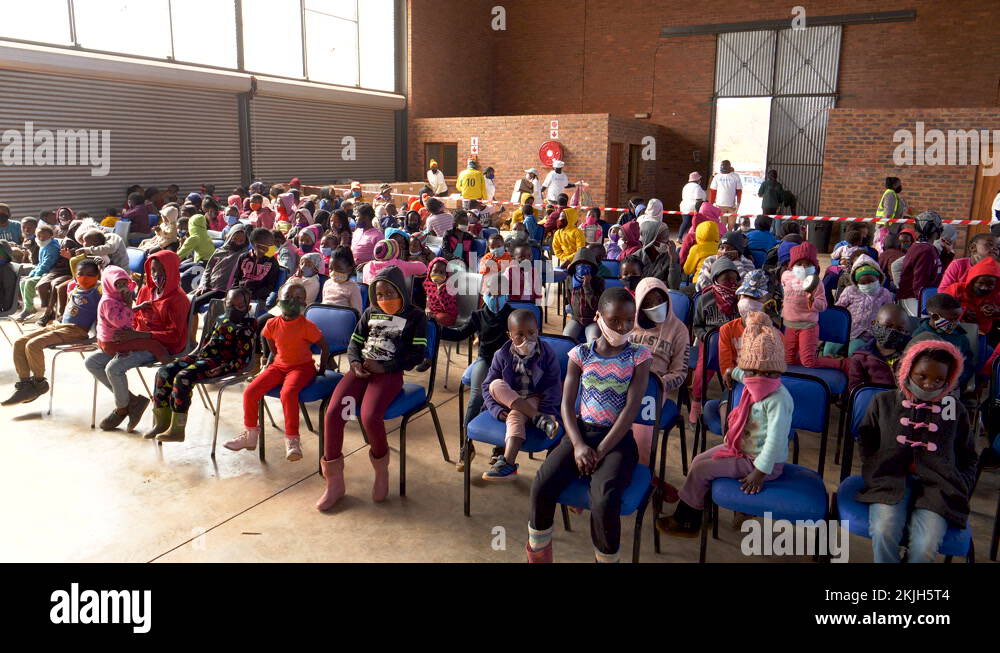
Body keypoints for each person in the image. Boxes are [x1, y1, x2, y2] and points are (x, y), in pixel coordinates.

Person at [526, 287, 652, 563]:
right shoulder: (580, 354)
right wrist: (580, 445)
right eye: (615, 320)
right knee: (542, 484)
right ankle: (539, 554)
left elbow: (631, 409)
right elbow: (567, 406)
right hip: (580, 433)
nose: (623, 327)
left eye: (629, 321)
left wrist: (602, 450)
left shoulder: (639, 356)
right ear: (598, 317)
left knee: (604, 499)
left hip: (617, 440)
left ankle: (606, 559)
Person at [658, 312, 791, 536]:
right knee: (698, 460)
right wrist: (731, 372)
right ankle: (703, 512)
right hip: (741, 449)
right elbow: (744, 373)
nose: (760, 378)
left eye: (769, 373)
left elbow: (775, 442)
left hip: (759, 462)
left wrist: (759, 472)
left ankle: (687, 521)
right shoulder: (750, 376)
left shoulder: (778, 399)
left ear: (779, 371)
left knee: (701, 469)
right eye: (753, 372)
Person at [317, 266, 429, 509]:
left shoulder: (416, 317)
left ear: (402, 290)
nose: (384, 299)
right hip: (361, 371)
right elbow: (354, 344)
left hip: (388, 375)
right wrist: (355, 363)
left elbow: (417, 355)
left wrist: (386, 367)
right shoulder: (369, 312)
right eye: (379, 294)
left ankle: (381, 470)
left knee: (369, 416)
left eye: (390, 293)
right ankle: (334, 483)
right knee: (334, 413)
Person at [855, 339, 977, 563]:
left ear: (949, 379)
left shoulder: (955, 411)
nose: (930, 385)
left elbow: (968, 455)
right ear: (908, 369)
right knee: (884, 531)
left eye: (939, 379)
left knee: (925, 546)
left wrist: (962, 482)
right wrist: (873, 465)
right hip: (889, 479)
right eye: (922, 376)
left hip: (939, 487)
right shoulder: (883, 402)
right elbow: (867, 437)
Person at [86, 250, 190, 433]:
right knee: (92, 362)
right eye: (153, 270)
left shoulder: (178, 299)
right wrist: (128, 338)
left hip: (161, 345)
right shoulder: (145, 290)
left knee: (113, 368)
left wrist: (140, 337)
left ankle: (121, 408)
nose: (156, 275)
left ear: (172, 270)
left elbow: (174, 335)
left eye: (161, 270)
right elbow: (132, 319)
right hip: (134, 340)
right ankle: (132, 401)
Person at [226, 282, 328, 461]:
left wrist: (322, 370)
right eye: (287, 297)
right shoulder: (272, 323)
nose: (292, 301)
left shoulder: (307, 325)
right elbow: (271, 344)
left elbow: (324, 347)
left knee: (288, 393)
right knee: (250, 391)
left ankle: (292, 440)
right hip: (279, 366)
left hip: (301, 367)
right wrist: (271, 360)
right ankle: (250, 435)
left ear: (305, 302)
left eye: (298, 298)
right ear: (279, 300)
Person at [147, 287, 257, 443]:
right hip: (204, 357)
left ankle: (178, 429)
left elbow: (243, 360)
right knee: (164, 371)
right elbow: (205, 344)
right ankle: (162, 422)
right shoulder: (220, 319)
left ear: (248, 308)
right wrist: (190, 358)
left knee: (183, 377)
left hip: (222, 362)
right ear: (225, 302)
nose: (233, 309)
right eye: (230, 304)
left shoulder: (247, 328)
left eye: (239, 306)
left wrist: (222, 368)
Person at [2, 258, 101, 406]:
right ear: (75, 275)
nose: (85, 277)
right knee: (19, 342)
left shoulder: (98, 291)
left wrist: (102, 268)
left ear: (98, 276)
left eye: (91, 274)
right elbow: (72, 271)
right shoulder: (74, 288)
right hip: (60, 326)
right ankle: (25, 385)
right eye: (81, 273)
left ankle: (39, 383)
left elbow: (113, 285)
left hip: (76, 330)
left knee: (33, 345)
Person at [479, 309, 562, 480]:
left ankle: (508, 463)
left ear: (538, 331)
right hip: (509, 400)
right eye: (519, 335)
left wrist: (547, 410)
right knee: (495, 384)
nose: (526, 339)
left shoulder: (547, 354)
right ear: (510, 335)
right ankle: (539, 419)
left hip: (534, 399)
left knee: (515, 416)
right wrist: (495, 409)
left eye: (531, 333)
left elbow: (553, 387)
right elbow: (487, 386)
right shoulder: (501, 354)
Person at [442, 277, 517, 469]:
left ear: (507, 295)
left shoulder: (513, 316)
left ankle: (499, 449)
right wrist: (436, 328)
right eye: (491, 294)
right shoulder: (478, 315)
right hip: (485, 360)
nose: (495, 297)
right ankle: (466, 448)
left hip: (507, 363)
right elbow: (459, 333)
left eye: (500, 294)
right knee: (475, 398)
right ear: (485, 295)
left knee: (505, 399)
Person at [630, 278, 689, 466]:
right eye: (649, 302)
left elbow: (680, 372)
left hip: (654, 387)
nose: (656, 306)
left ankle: (642, 472)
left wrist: (661, 383)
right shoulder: (629, 322)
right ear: (640, 303)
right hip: (624, 380)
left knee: (641, 431)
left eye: (659, 300)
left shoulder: (679, 330)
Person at [689, 258, 742, 422]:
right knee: (703, 368)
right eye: (726, 280)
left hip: (735, 342)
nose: (731, 284)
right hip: (712, 342)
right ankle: (696, 402)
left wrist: (742, 302)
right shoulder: (705, 299)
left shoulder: (740, 298)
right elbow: (697, 326)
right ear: (716, 280)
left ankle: (736, 402)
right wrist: (708, 337)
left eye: (734, 280)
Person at [781, 242, 843, 370]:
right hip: (789, 325)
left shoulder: (816, 282)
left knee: (809, 362)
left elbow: (823, 306)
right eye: (799, 264)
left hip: (808, 326)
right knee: (788, 360)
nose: (803, 267)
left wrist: (813, 301)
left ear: (814, 266)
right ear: (792, 266)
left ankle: (841, 364)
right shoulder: (786, 276)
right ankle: (823, 359)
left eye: (808, 264)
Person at [96, 265, 171, 364]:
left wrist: (139, 306)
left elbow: (122, 313)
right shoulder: (108, 302)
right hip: (113, 343)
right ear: (108, 284)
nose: (123, 287)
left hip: (112, 340)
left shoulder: (116, 297)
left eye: (125, 283)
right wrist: (128, 304)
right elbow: (120, 322)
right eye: (118, 284)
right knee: (153, 345)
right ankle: (169, 366)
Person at [824, 255, 895, 357]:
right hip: (845, 328)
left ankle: (850, 369)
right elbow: (839, 309)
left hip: (867, 334)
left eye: (871, 281)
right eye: (863, 283)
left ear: (878, 278)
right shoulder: (850, 291)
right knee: (828, 350)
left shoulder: (885, 293)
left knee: (855, 354)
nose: (867, 285)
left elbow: (889, 312)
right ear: (857, 283)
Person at [911, 293, 976, 393]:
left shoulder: (960, 337)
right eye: (951, 319)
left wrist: (957, 381)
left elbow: (967, 364)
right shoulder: (919, 337)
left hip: (951, 386)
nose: (956, 323)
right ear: (935, 316)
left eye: (957, 319)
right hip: (921, 386)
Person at [847, 303, 912, 392]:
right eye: (887, 326)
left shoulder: (912, 356)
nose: (892, 332)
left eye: (900, 329)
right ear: (874, 324)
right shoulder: (860, 358)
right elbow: (856, 390)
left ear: (907, 331)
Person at [897, 211, 944, 317]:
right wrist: (926, 305)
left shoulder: (929, 248)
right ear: (933, 229)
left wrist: (947, 254)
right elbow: (919, 283)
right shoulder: (924, 250)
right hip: (914, 298)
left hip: (925, 296)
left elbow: (938, 270)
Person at [941, 256, 1000, 337]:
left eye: (990, 285)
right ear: (972, 281)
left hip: (981, 333)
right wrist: (962, 311)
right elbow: (940, 306)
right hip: (953, 330)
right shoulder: (957, 289)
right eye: (980, 283)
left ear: (996, 285)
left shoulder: (996, 295)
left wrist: (996, 311)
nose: (984, 288)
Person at [16, 224, 60, 320]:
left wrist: (34, 275)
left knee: (29, 282)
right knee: (22, 281)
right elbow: (40, 263)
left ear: (51, 236)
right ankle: (29, 307)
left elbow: (46, 265)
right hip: (43, 271)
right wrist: (32, 273)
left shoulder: (52, 247)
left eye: (44, 236)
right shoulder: (43, 245)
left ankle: (29, 309)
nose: (41, 238)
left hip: (50, 273)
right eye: (39, 236)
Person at [233, 228, 280, 316]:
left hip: (257, 300)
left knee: (242, 315)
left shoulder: (272, 262)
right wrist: (234, 293)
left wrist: (249, 296)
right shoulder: (243, 257)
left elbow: (270, 286)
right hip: (238, 295)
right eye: (270, 244)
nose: (273, 247)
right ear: (257, 245)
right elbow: (236, 278)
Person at [563, 249, 605, 344]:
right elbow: (569, 299)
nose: (582, 268)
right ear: (574, 266)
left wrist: (587, 285)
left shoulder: (598, 281)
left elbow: (596, 305)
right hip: (576, 319)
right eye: (579, 265)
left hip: (592, 320)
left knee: (593, 342)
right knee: (566, 339)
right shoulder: (570, 280)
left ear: (592, 267)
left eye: (586, 265)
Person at [637, 221, 679, 288]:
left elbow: (674, 286)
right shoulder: (636, 257)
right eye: (664, 238)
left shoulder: (671, 255)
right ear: (651, 240)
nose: (668, 242)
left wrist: (673, 261)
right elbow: (633, 283)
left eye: (668, 237)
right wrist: (659, 283)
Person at [423, 257, 458, 326]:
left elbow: (448, 308)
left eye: (441, 272)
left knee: (439, 318)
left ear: (446, 275)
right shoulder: (429, 284)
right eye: (435, 271)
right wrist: (427, 308)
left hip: (447, 314)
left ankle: (439, 332)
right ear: (429, 271)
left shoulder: (449, 287)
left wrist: (440, 293)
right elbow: (428, 298)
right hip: (433, 312)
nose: (437, 274)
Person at [709, 160, 743, 229]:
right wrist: (711, 204)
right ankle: (725, 238)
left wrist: (711, 204)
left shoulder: (719, 177)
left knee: (727, 226)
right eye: (722, 165)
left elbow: (713, 192)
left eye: (724, 166)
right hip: (725, 206)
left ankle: (726, 238)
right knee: (725, 226)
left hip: (727, 206)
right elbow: (713, 191)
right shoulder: (718, 177)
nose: (723, 167)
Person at [679, 172, 706, 240]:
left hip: (684, 206)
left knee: (685, 222)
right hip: (693, 207)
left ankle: (679, 237)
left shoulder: (686, 186)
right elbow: (698, 198)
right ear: (697, 179)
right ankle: (691, 238)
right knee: (693, 224)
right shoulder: (697, 187)